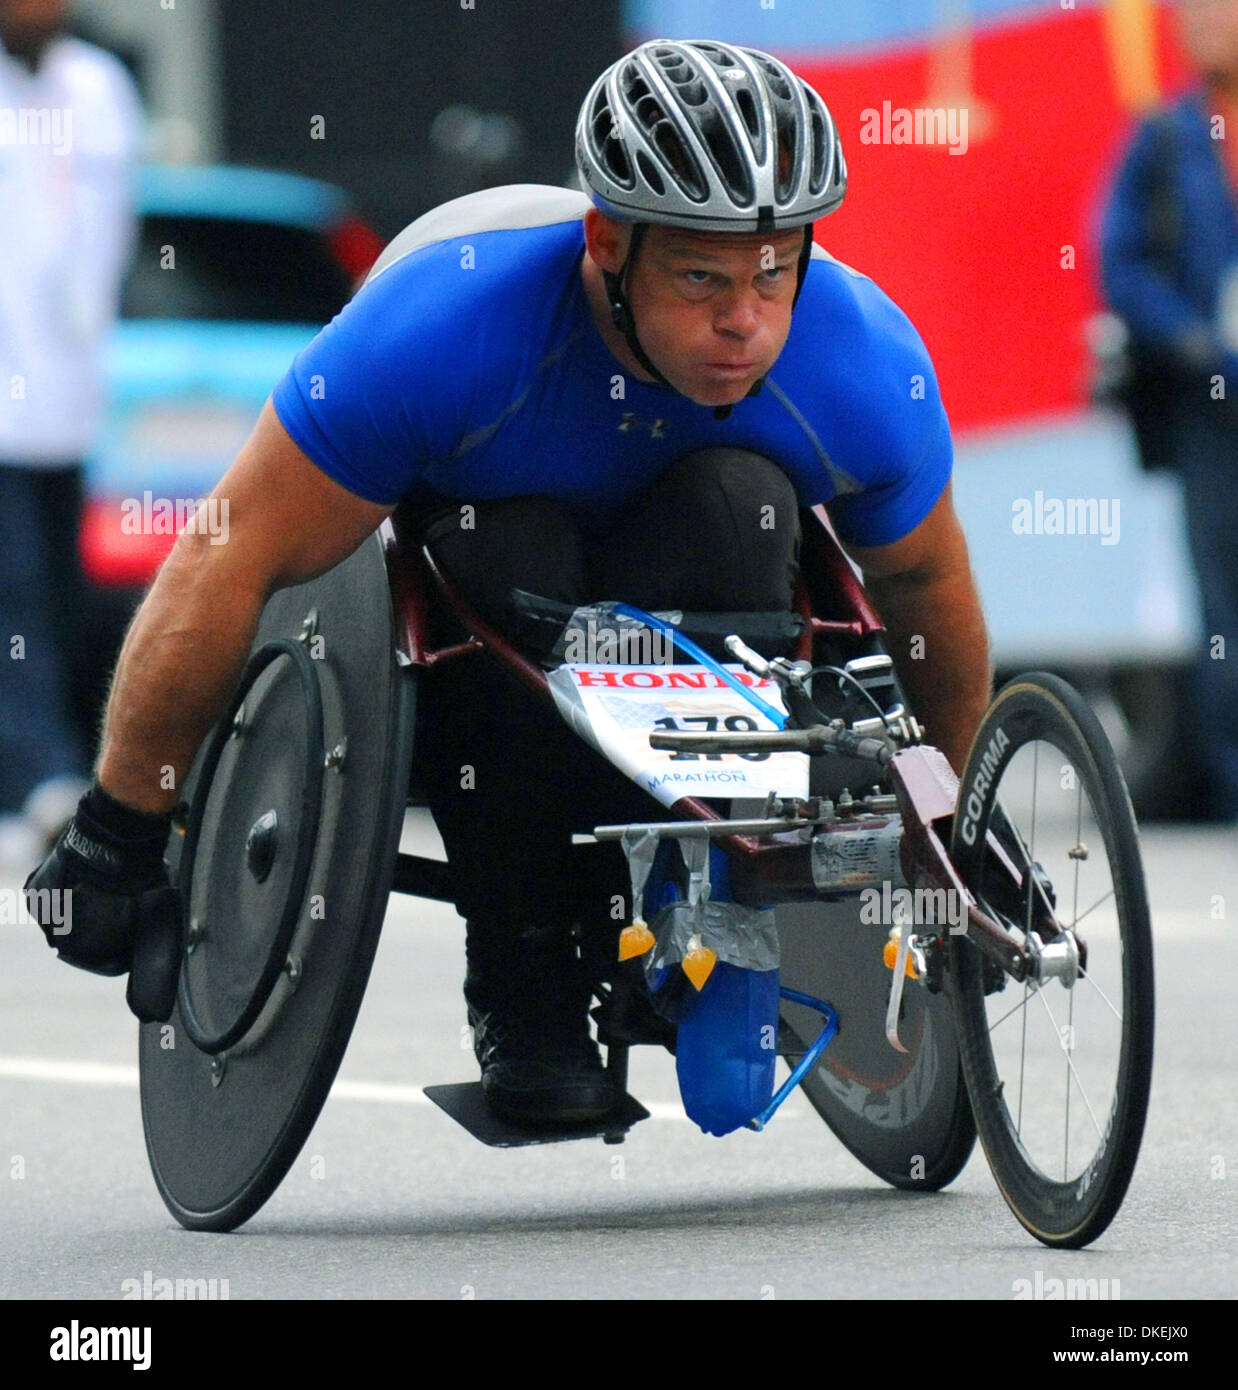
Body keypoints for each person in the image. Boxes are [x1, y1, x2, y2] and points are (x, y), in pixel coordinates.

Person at [25, 39, 991, 1123]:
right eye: (700, 277)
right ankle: (527, 963)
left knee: (742, 498)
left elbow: (925, 593)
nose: (744, 320)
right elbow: (226, 553)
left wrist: (948, 829)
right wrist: (118, 829)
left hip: (698, 564)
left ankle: (714, 884)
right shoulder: (442, 331)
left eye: (774, 272)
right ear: (607, 245)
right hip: (492, 578)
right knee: (504, 547)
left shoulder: (854, 359)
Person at [0, 0, 144, 870]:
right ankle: (41, 777)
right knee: (10, 593)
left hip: (68, 397)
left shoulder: (98, 88)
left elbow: (103, 239)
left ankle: (46, 771)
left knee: (55, 593)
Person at [1099, 0, 1238, 821]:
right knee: (1222, 598)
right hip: (1211, 407)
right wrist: (1195, 346)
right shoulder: (1164, 139)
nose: (1199, 24)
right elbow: (1122, 265)